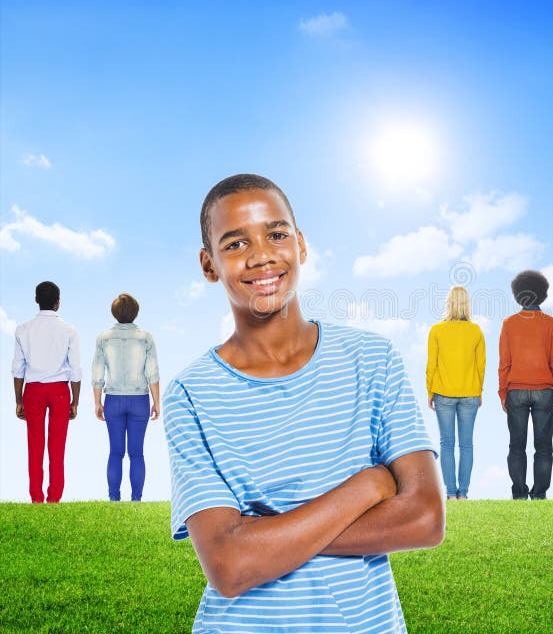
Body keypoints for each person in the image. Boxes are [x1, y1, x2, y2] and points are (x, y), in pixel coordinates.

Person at [163, 173, 444, 633]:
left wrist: (262, 539)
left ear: (302, 244)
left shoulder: (372, 361)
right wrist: (367, 487)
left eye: (277, 234)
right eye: (235, 244)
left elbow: (425, 518)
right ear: (208, 264)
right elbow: (230, 567)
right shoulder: (191, 394)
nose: (261, 256)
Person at [11, 281, 82, 503]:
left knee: (35, 445)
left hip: (33, 390)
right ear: (58, 303)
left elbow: (17, 367)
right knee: (57, 446)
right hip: (60, 390)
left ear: (36, 300)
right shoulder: (69, 330)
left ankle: (36, 498)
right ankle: (54, 499)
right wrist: (75, 402)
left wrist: (18, 400)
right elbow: (76, 369)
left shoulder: (23, 329)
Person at [498, 270, 553, 500]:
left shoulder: (509, 324)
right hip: (544, 391)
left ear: (518, 294)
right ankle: (539, 494)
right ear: (542, 294)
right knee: (543, 447)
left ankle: (519, 493)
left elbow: (504, 362)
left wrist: (502, 392)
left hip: (515, 391)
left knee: (516, 446)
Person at [92, 293, 160, 501]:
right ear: (136, 312)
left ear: (114, 313)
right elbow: (152, 372)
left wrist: (97, 402)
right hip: (139, 399)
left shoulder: (103, 338)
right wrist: (157, 401)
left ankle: (114, 500)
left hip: (113, 399)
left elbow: (97, 373)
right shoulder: (145, 337)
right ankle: (136, 500)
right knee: (137, 453)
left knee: (115, 452)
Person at [426, 285, 485, 500]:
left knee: (447, 443)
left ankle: (450, 493)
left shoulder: (436, 330)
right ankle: (464, 494)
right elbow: (481, 365)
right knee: (467, 444)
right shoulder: (476, 331)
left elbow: (431, 364)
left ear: (448, 303)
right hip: (470, 392)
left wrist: (430, 391)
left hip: (443, 393)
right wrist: (479, 391)